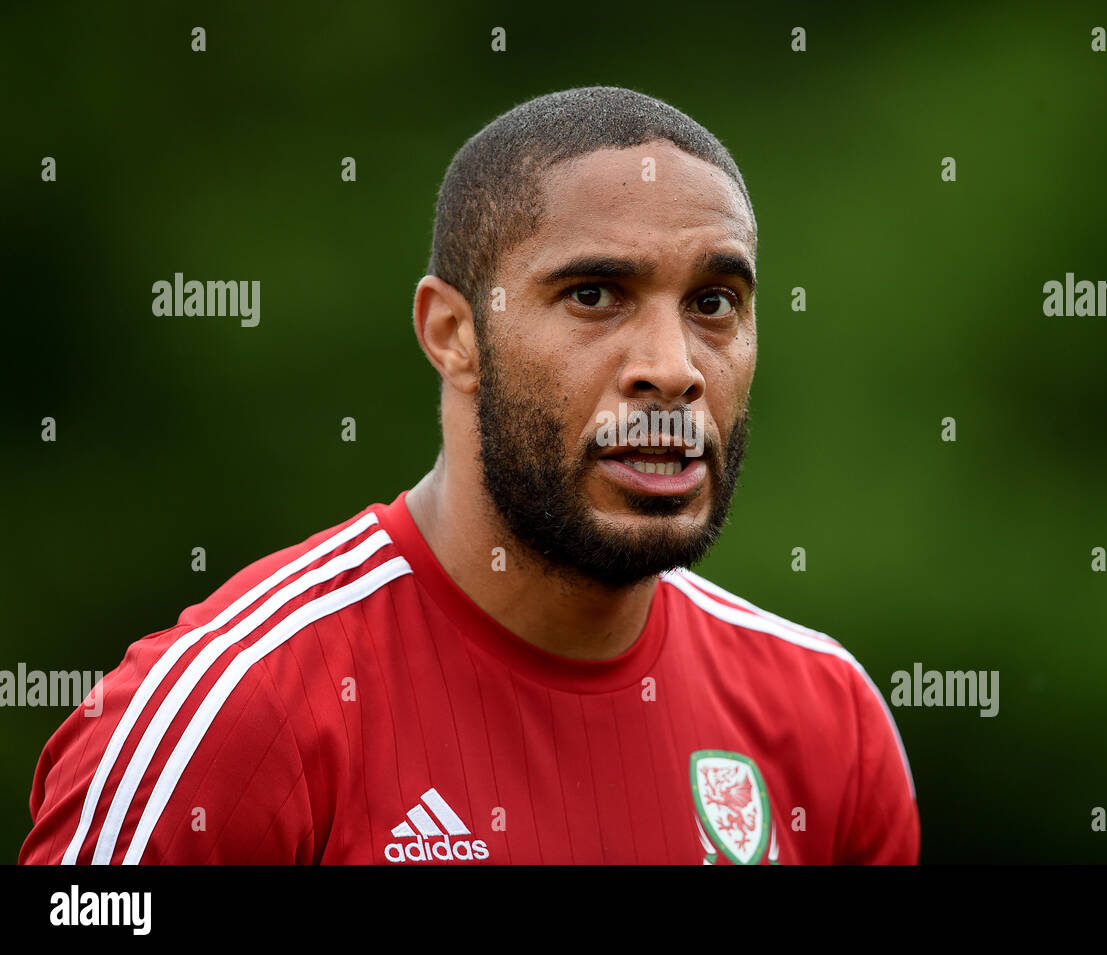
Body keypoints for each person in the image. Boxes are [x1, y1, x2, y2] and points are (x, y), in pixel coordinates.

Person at [20, 86, 918, 865]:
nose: (672, 366)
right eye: (594, 295)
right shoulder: (230, 718)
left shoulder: (826, 722)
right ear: (454, 334)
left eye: (713, 303)